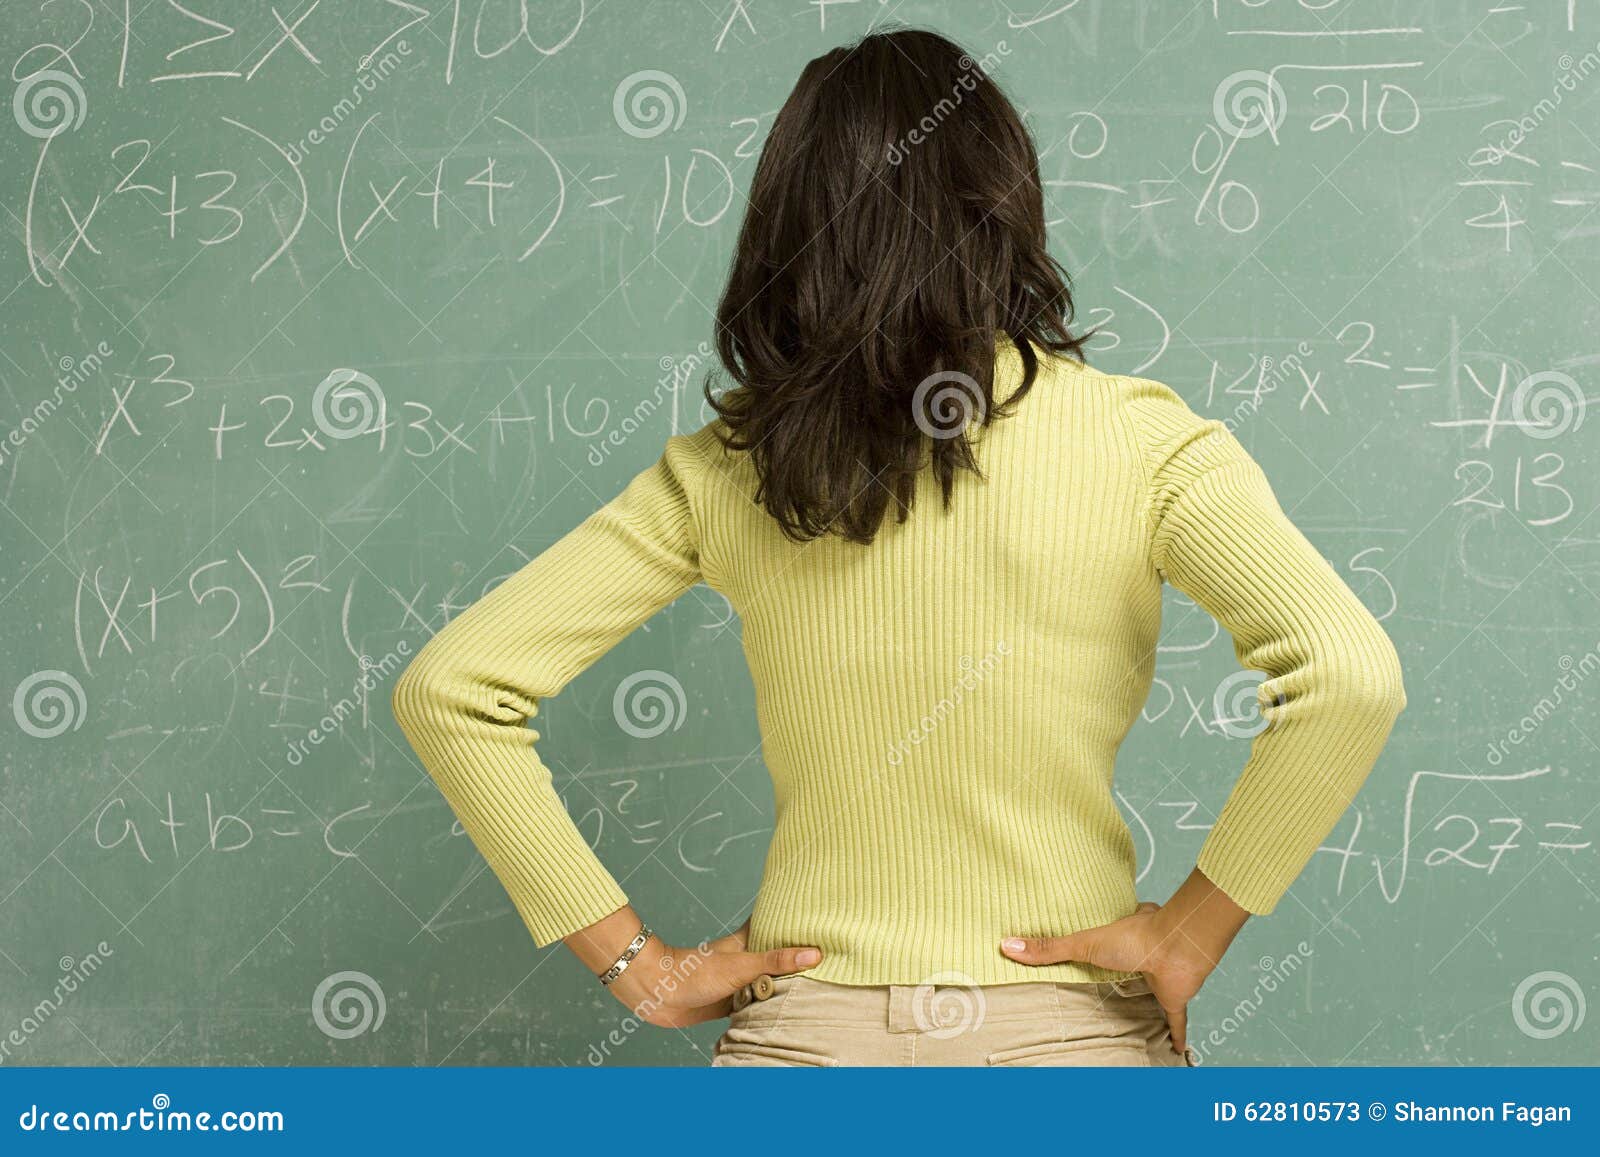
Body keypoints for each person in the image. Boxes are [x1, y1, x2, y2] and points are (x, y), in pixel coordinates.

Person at [392, 27, 1406, 1067]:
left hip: (804, 1050)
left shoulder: (729, 467)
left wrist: (637, 965)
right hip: (1069, 1047)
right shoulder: (1145, 443)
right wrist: (1187, 931)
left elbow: (452, 687)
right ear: (1004, 204)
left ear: (789, 225)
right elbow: (1350, 675)